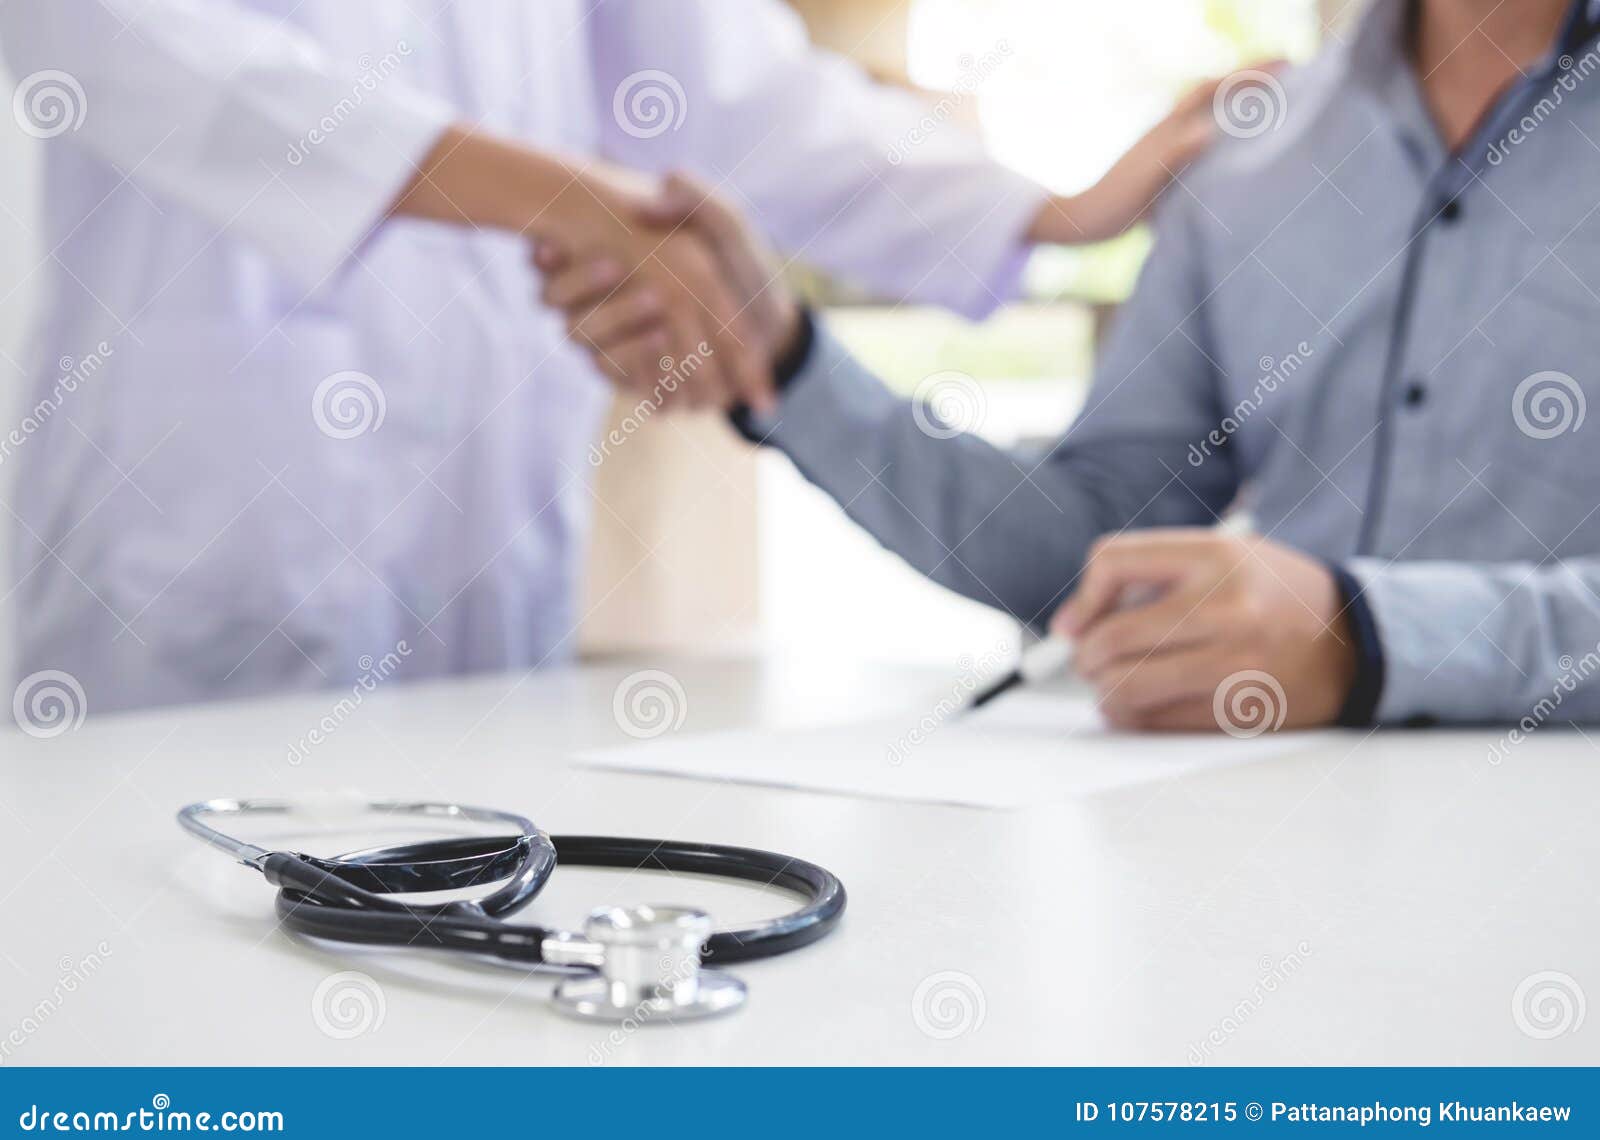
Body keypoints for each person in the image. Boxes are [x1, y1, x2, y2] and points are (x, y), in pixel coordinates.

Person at [0, 0, 1222, 712]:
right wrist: (571, 198)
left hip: (487, 477)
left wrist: (1049, 210)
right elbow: (130, 47)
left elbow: (738, 87)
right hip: (202, 471)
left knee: (461, 950)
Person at [543, 0, 1600, 730]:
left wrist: (1369, 640)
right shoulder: (1249, 156)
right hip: (1281, 863)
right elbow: (1082, 548)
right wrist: (784, 356)